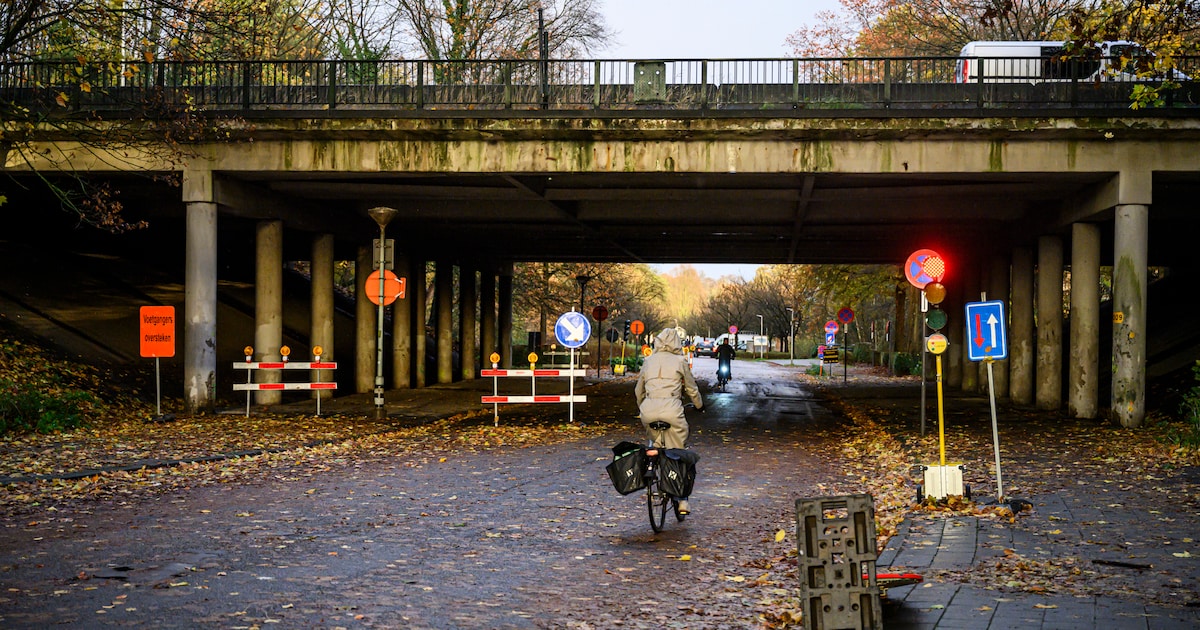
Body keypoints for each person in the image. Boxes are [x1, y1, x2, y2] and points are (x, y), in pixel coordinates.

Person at [635, 327, 704, 514]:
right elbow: (691, 388)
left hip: (648, 411)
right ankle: (682, 500)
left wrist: (643, 405)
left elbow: (638, 390)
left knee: (655, 441)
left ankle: (651, 464)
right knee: (678, 452)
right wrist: (699, 405)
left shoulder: (648, 361)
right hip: (672, 411)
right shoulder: (680, 361)